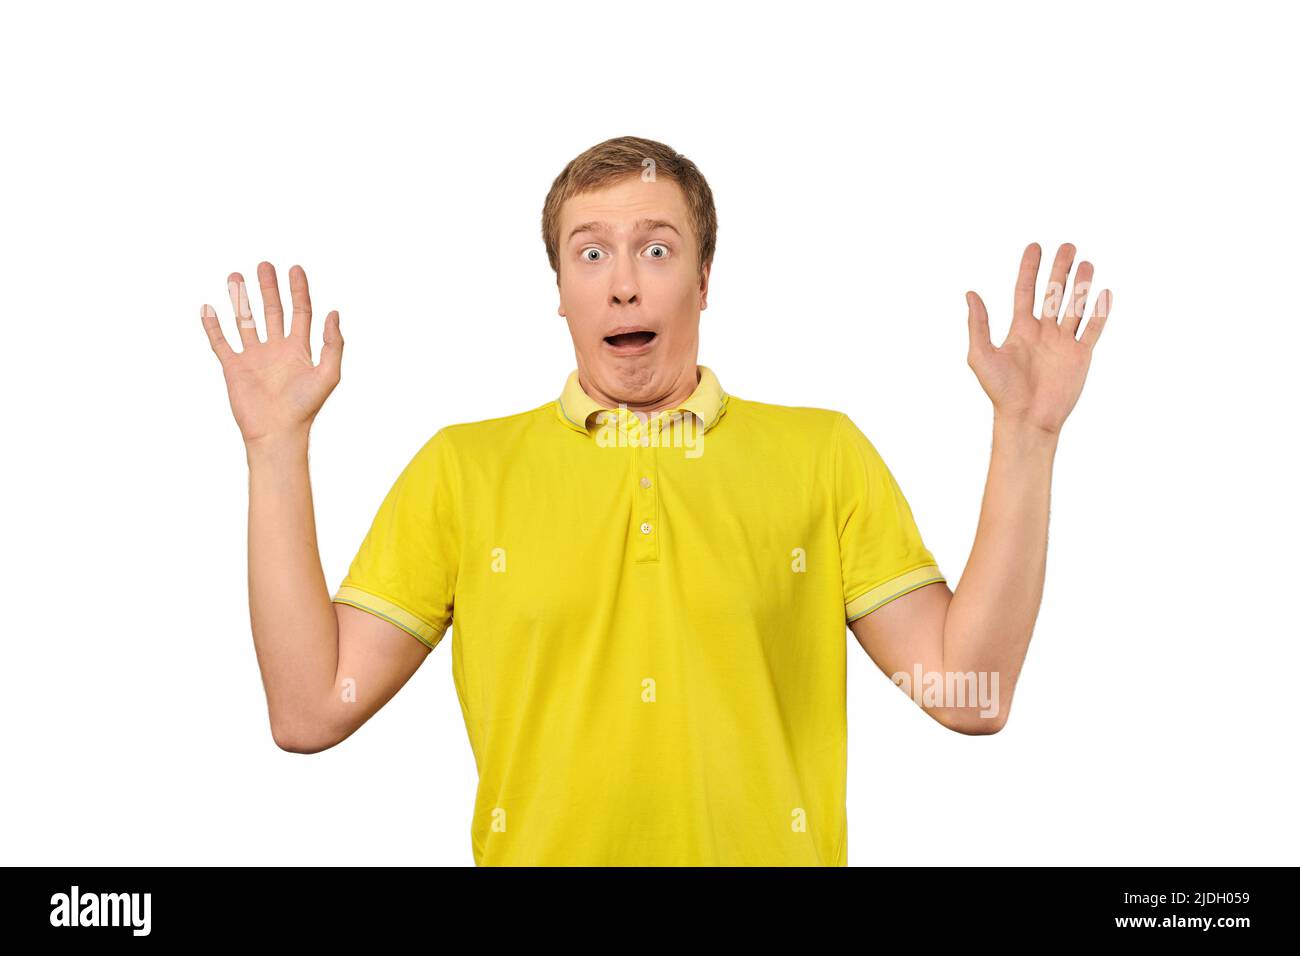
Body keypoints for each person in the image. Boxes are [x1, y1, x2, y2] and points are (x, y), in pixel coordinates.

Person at [201, 135, 1112, 866]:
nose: (623, 280)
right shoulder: (461, 471)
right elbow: (310, 709)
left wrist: (1027, 437)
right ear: (559, 290)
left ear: (704, 279)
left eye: (656, 249)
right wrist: (275, 449)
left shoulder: (822, 454)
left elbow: (968, 693)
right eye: (589, 252)